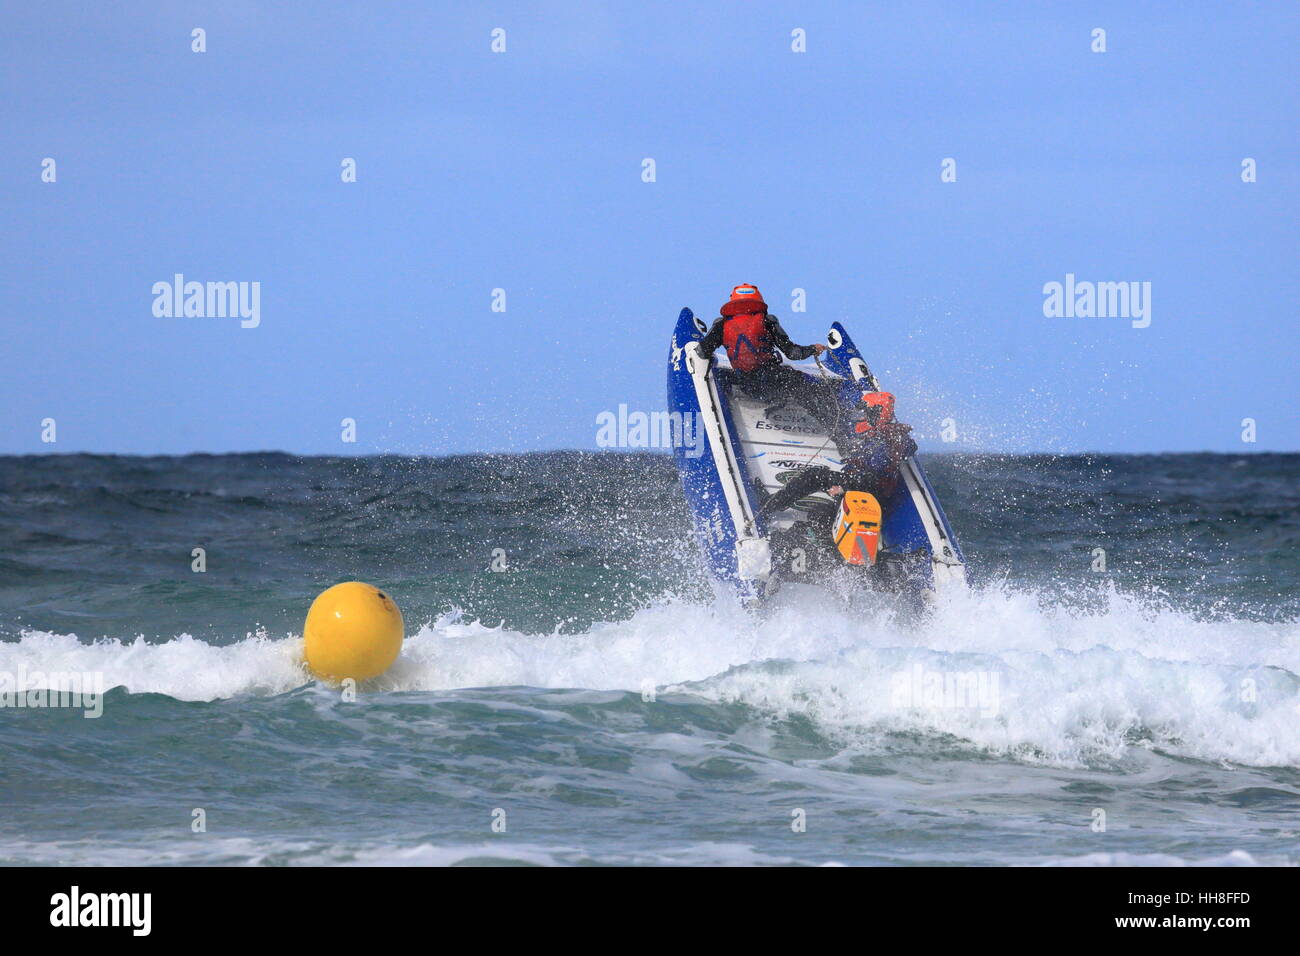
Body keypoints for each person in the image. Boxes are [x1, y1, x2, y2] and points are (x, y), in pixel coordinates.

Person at [696, 284, 842, 434]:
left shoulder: (721, 325)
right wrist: (813, 348)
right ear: (759, 302)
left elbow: (702, 351)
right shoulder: (768, 321)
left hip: (746, 386)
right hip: (774, 381)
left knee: (724, 376)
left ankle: (725, 413)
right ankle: (840, 426)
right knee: (809, 385)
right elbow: (792, 353)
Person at [757, 390, 918, 519]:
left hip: (865, 493)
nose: (865, 415)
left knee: (814, 476)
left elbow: (873, 477)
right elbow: (910, 447)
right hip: (870, 490)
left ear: (878, 413)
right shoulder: (894, 434)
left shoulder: (881, 441)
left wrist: (844, 487)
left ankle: (768, 505)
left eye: (868, 412)